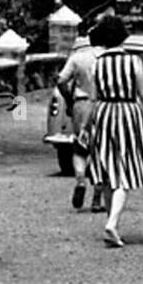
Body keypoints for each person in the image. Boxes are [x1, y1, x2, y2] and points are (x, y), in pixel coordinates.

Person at [86, 15, 143, 248]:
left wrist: (86, 127)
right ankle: (113, 222)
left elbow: (93, 98)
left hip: (104, 114)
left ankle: (112, 222)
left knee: (107, 169)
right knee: (126, 171)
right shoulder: (133, 62)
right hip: (129, 113)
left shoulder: (96, 64)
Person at [56, 40, 101, 212]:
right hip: (102, 105)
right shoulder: (104, 57)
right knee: (100, 148)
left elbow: (61, 81)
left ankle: (81, 180)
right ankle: (97, 197)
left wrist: (69, 99)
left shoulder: (77, 58)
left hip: (80, 104)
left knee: (80, 146)